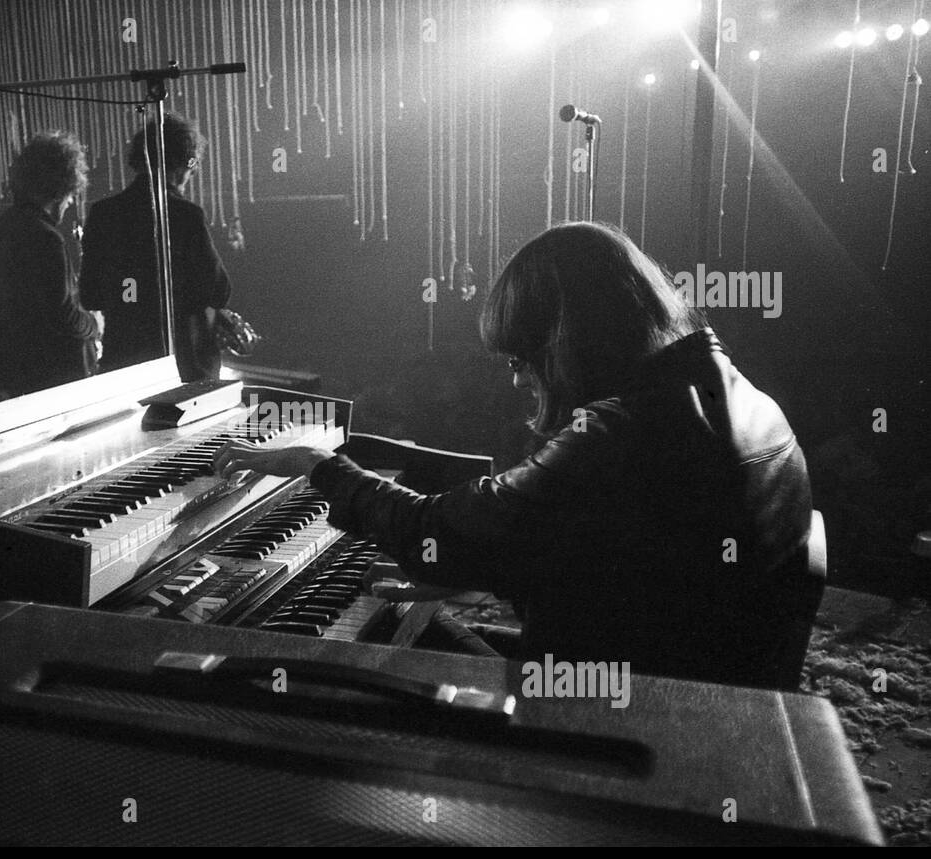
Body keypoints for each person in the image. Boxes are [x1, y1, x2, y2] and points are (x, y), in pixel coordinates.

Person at [214, 223, 816, 690]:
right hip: (694, 684)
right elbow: (630, 553)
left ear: (564, 341)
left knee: (357, 674)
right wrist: (490, 566)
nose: (517, 379)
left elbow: (437, 529)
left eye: (520, 359)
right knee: (417, 629)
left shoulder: (619, 432)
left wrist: (319, 465)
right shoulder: (736, 397)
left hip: (621, 719)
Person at [79, 114, 230, 382]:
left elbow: (91, 296)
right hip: (184, 362)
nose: (193, 171)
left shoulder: (102, 214)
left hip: (123, 359)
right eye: (191, 163)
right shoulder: (186, 214)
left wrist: (131, 298)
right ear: (180, 165)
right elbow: (218, 290)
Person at [0, 131, 101, 397]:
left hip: (15, 369)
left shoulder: (2, 226)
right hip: (55, 374)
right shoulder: (46, 237)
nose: (71, 201)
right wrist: (94, 325)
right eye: (71, 194)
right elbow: (62, 315)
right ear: (59, 187)